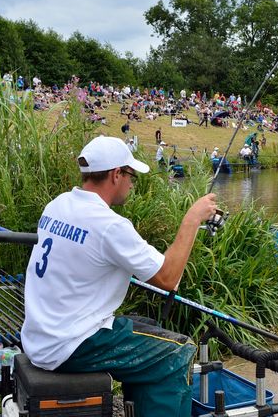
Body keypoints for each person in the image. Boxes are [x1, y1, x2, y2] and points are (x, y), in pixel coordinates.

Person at [22, 135, 217, 417]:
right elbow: (168, 278)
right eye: (130, 174)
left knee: (150, 326)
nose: (132, 182)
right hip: (70, 343)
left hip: (40, 334)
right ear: (116, 175)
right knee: (177, 351)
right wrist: (192, 219)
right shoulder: (110, 226)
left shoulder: (58, 204)